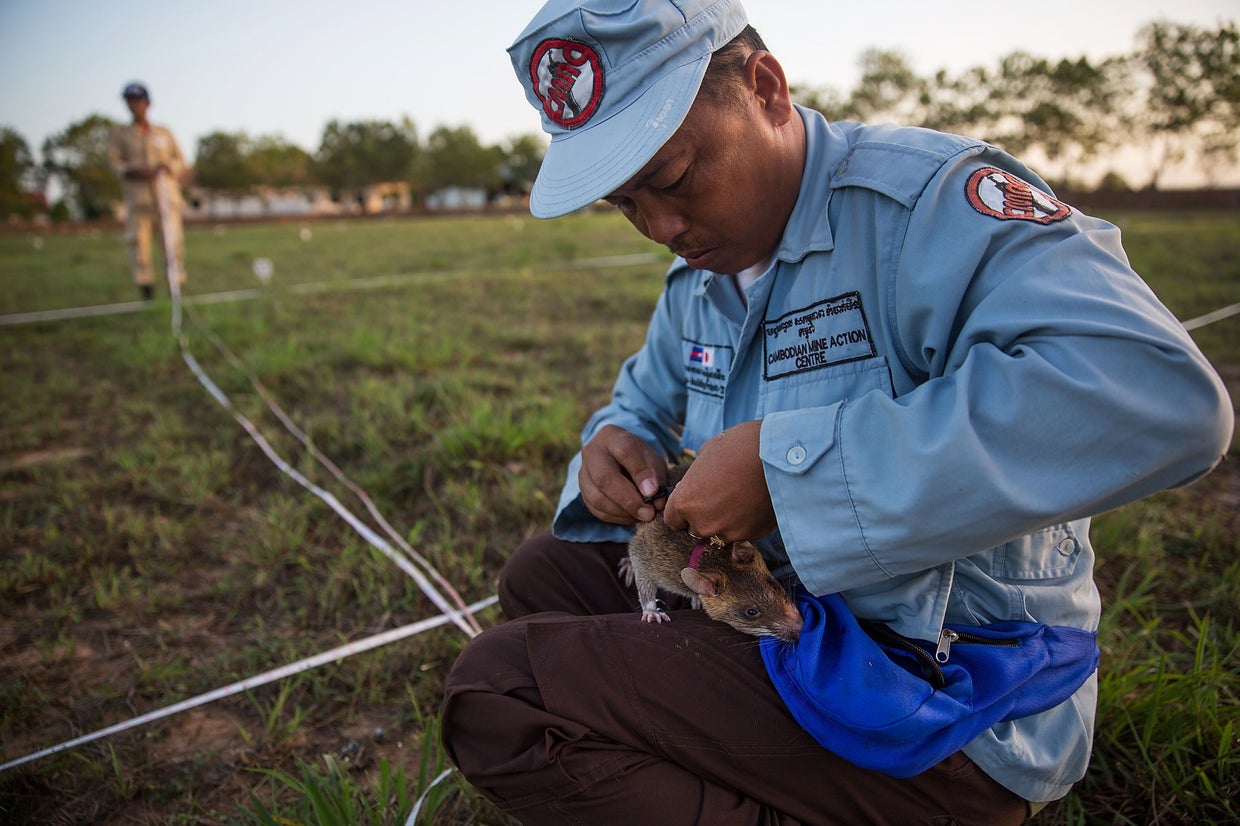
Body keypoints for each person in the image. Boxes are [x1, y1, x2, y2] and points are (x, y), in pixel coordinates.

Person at [440, 1, 1234, 823]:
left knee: (499, 692)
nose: (661, 227)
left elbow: (1158, 395)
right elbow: (636, 407)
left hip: (930, 685)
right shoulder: (700, 283)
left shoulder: (927, 208)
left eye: (673, 178)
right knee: (542, 572)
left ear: (767, 89)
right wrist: (610, 448)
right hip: (783, 623)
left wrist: (792, 475)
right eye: (624, 204)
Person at [107, 82, 187, 300]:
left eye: (137, 101)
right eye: (129, 102)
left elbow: (180, 160)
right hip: (138, 199)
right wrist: (131, 171)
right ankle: (146, 289)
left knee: (172, 243)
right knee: (138, 244)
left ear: (147, 103)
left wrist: (168, 168)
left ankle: (176, 286)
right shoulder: (120, 134)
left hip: (166, 198)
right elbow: (114, 163)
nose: (133, 106)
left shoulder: (164, 132)